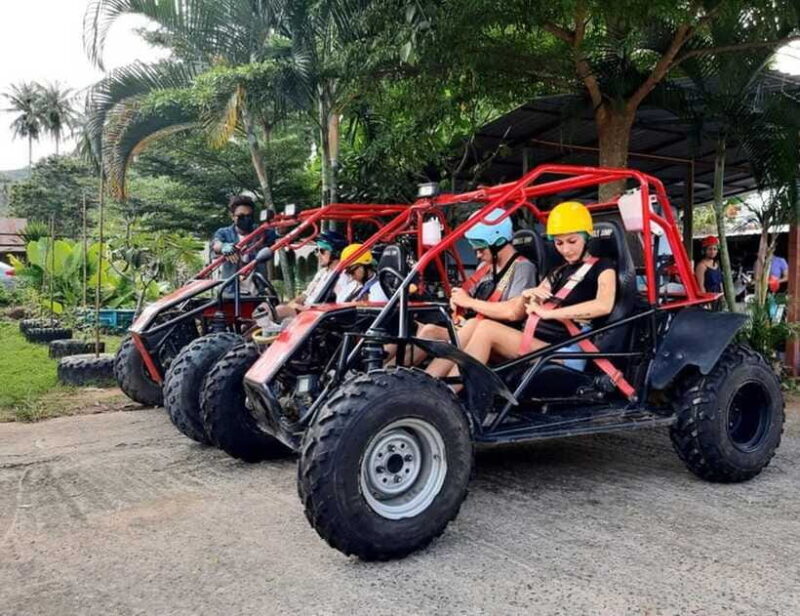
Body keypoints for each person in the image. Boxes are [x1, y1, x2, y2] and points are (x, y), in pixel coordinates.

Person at [427, 201, 616, 378]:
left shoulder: (603, 266)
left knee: (486, 328)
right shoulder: (558, 271)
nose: (566, 250)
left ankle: (447, 393)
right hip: (538, 340)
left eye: (572, 241)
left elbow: (603, 305)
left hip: (565, 350)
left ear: (586, 236)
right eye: (559, 243)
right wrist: (527, 297)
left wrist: (549, 313)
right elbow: (532, 301)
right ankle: (429, 382)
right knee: (474, 324)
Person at [417, 207, 538, 372]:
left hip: (499, 334)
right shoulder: (485, 267)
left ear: (499, 242)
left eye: (481, 248)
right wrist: (458, 300)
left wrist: (469, 302)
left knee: (474, 325)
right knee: (429, 331)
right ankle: (394, 375)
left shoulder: (523, 268)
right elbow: (466, 297)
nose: (478, 255)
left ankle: (435, 381)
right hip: (471, 327)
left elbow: (513, 312)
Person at [273, 230, 349, 320]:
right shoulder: (322, 272)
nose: (318, 255)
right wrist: (293, 304)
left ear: (336, 253)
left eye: (322, 251)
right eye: (317, 250)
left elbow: (335, 308)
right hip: (306, 312)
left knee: (279, 311)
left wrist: (298, 308)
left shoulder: (342, 277)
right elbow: (305, 294)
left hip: (317, 318)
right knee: (271, 309)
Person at [211, 195, 277, 284]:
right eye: (241, 216)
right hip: (230, 288)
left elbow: (279, 234)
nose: (246, 219)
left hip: (257, 289)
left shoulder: (261, 232)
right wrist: (223, 247)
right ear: (232, 216)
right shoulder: (224, 233)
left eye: (249, 215)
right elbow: (216, 245)